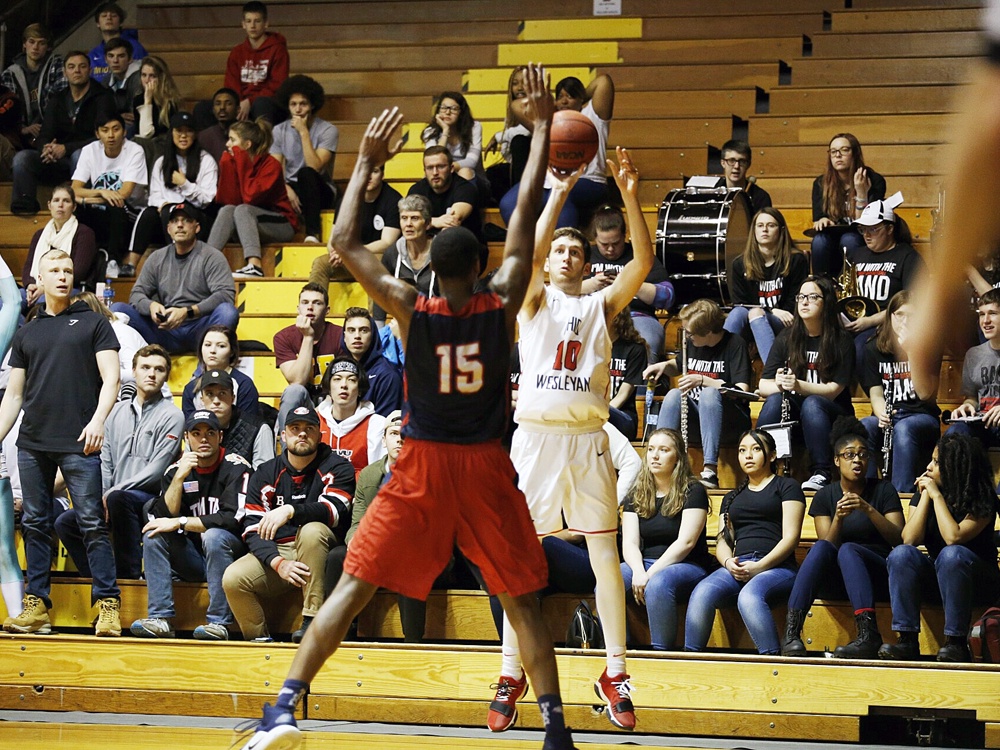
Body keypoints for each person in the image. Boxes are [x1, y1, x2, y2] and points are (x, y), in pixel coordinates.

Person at [241, 68, 580, 750]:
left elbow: (340, 247)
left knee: (357, 584)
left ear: (431, 271)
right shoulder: (504, 297)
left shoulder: (411, 308)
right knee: (520, 601)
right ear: (482, 265)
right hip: (485, 465)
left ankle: (285, 704)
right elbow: (521, 222)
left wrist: (365, 165)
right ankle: (555, 728)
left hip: (423, 467)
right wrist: (541, 128)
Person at [497, 143, 652, 734]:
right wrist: (560, 190)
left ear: (587, 263)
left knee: (604, 559)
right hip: (535, 440)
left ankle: (615, 672)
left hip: (588, 437)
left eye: (574, 250)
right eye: (558, 249)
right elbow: (527, 254)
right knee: (517, 560)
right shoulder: (533, 300)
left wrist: (632, 198)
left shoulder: (601, 305)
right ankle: (512, 671)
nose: (563, 256)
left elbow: (641, 261)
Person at [0, 250, 122, 636]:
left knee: (91, 524)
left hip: (80, 442)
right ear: (39, 276)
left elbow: (112, 379)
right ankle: (37, 606)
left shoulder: (95, 324)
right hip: (33, 443)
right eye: (54, 269)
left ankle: (108, 606)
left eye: (68, 269)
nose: (63, 275)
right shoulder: (27, 331)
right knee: (35, 524)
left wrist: (99, 420)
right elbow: (14, 396)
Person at [223, 404, 356, 643]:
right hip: (280, 552)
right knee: (233, 578)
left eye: (309, 428)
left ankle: (312, 618)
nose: (302, 433)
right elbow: (252, 529)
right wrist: (278, 562)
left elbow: (333, 512)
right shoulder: (265, 472)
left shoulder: (338, 465)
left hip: (321, 549)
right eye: (295, 428)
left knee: (311, 530)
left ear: (320, 434)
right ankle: (258, 641)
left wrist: (290, 510)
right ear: (283, 436)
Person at [54, 344, 184, 580]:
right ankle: (102, 581)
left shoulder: (173, 415)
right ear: (134, 371)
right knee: (66, 522)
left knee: (119, 499)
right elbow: (105, 463)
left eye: (159, 369)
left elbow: (157, 470)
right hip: (113, 496)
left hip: (152, 498)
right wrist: (99, 497)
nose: (151, 374)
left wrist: (112, 491)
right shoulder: (115, 412)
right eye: (145, 367)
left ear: (166, 376)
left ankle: (129, 579)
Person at [781, 417, 904, 659]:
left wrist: (868, 509)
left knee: (849, 549)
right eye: (849, 455)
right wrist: (838, 517)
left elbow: (899, 539)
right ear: (837, 461)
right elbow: (827, 547)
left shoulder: (883, 490)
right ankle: (791, 634)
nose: (857, 460)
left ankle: (868, 634)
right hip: (838, 576)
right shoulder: (826, 496)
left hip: (877, 574)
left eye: (862, 454)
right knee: (821, 548)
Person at [131, 409, 252, 640]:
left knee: (214, 536)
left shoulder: (236, 466)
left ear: (221, 437)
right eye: (196, 433)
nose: (203, 439)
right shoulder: (175, 471)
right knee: (154, 534)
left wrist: (182, 522)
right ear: (187, 438)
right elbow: (162, 517)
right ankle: (160, 618)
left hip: (234, 557)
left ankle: (219, 623)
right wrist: (179, 478)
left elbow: (232, 519)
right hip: (196, 560)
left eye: (210, 433)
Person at [879, 434, 1000, 663]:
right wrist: (925, 496)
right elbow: (909, 539)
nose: (928, 467)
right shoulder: (928, 491)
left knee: (951, 554)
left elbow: (953, 537)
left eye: (936, 462)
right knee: (901, 554)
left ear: (955, 466)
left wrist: (935, 495)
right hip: (940, 577)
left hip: (978, 582)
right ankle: (907, 640)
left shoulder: (982, 495)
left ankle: (956, 642)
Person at [683, 429, 805, 655]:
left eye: (756, 449)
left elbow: (791, 538)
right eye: (742, 450)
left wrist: (759, 566)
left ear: (772, 455)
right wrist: (728, 563)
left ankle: (772, 662)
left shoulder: (787, 487)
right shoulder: (731, 497)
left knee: (749, 596)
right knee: (702, 592)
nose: (748, 455)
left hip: (778, 568)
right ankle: (690, 660)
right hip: (738, 565)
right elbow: (722, 540)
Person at [756, 276, 856, 491]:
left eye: (812, 297)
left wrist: (798, 385)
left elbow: (832, 391)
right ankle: (761, 467)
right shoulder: (787, 337)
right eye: (801, 296)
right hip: (796, 415)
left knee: (813, 403)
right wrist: (781, 384)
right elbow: (763, 385)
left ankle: (821, 472)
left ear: (826, 302)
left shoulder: (841, 340)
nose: (804, 302)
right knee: (774, 401)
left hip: (832, 415)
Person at [620, 428, 713, 651]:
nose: (655, 456)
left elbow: (686, 543)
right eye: (651, 449)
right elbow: (630, 543)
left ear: (678, 457)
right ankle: (619, 651)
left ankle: (662, 653)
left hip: (686, 564)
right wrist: (639, 571)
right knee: (610, 581)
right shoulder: (636, 492)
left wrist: (649, 575)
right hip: (645, 563)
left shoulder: (693, 490)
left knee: (658, 585)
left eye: (663, 450)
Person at [646, 299, 753, 490]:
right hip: (698, 420)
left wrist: (703, 380)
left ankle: (710, 470)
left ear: (709, 333)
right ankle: (658, 467)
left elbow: (742, 391)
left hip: (728, 420)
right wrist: (661, 366)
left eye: (691, 333)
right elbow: (677, 366)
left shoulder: (735, 344)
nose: (687, 336)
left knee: (709, 395)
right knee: (673, 395)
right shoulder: (693, 343)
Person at [113, 203, 239, 353]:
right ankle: (135, 368)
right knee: (118, 310)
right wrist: (151, 306)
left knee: (228, 312)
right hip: (165, 330)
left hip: (201, 330)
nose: (180, 225)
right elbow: (136, 294)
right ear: (168, 229)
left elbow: (225, 295)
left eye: (186, 220)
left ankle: (204, 370)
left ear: (196, 227)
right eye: (174, 221)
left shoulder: (212, 256)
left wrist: (188, 311)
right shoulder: (157, 258)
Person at [499, 73, 614, 230]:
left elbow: (603, 81)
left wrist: (580, 95)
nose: (565, 101)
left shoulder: (594, 115)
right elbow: (516, 105)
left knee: (560, 194)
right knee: (509, 203)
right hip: (549, 183)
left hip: (590, 181)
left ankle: (563, 243)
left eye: (570, 96)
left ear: (581, 99)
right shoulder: (549, 121)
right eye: (560, 97)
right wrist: (551, 104)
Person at [10, 52, 111, 215]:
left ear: (90, 70)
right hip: (58, 160)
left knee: (80, 155)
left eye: (82, 66)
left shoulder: (103, 97)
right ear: (65, 73)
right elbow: (44, 134)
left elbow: (104, 136)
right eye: (71, 67)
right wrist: (46, 149)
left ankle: (83, 210)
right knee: (22, 158)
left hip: (87, 158)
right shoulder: (58, 99)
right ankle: (25, 205)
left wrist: (66, 148)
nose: (77, 71)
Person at [860, 291, 940, 494]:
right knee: (865, 426)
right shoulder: (872, 348)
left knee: (904, 428)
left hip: (921, 416)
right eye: (900, 314)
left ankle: (899, 496)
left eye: (912, 316)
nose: (906, 321)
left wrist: (912, 351)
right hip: (890, 414)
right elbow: (876, 393)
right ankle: (867, 493)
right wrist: (880, 413)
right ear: (890, 316)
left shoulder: (930, 346)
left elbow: (924, 394)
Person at [125, 111, 218, 274]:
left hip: (196, 216)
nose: (183, 136)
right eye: (178, 131)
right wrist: (163, 204)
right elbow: (153, 195)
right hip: (165, 217)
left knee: (173, 211)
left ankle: (179, 265)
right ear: (172, 134)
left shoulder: (206, 161)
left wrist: (185, 184)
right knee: (147, 213)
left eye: (188, 131)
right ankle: (130, 265)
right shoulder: (162, 162)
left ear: (195, 134)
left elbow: (207, 199)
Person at [580, 204, 673, 363]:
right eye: (604, 244)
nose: (610, 249)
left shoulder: (639, 256)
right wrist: (593, 284)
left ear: (625, 235)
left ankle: (643, 388)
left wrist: (630, 283)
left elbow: (667, 297)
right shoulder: (585, 255)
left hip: (637, 316)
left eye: (616, 243)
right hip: (595, 315)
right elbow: (563, 291)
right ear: (595, 238)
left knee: (647, 344)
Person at [209, 117, 298, 278]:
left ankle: (255, 265)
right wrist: (228, 166)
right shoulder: (235, 161)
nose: (227, 144)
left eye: (232, 140)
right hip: (250, 223)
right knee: (229, 209)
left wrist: (242, 162)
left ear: (247, 144)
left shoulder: (271, 165)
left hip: (281, 224)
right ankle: (204, 263)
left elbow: (250, 197)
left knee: (243, 210)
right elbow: (228, 200)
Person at [845, 194, 924, 368]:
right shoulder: (857, 254)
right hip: (856, 321)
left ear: (889, 229)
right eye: (863, 229)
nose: (866, 235)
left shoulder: (908, 257)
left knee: (861, 348)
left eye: (873, 229)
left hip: (889, 322)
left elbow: (911, 301)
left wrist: (871, 320)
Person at [724, 208, 809, 364]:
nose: (764, 229)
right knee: (738, 313)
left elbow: (796, 300)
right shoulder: (739, 264)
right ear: (754, 230)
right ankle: (721, 364)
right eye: (760, 225)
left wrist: (769, 312)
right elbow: (740, 303)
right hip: (753, 320)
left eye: (771, 225)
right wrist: (770, 309)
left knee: (755, 313)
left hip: (785, 322)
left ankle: (771, 373)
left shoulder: (796, 260)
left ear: (781, 230)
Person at [71, 108, 147, 272]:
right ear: (98, 134)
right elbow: (75, 189)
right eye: (105, 131)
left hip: (130, 210)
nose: (110, 135)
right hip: (102, 207)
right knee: (76, 209)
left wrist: (88, 198)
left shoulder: (134, 151)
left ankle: (113, 261)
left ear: (124, 132)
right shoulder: (90, 150)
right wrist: (100, 192)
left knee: (116, 205)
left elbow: (124, 193)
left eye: (116, 129)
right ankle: (76, 261)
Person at [809, 133, 887, 279]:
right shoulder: (820, 184)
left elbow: (865, 221)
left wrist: (861, 193)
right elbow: (818, 218)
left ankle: (853, 287)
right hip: (831, 237)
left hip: (862, 234)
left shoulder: (874, 180)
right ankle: (821, 286)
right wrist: (822, 220)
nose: (838, 155)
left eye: (844, 150)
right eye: (833, 152)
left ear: (855, 153)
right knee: (819, 241)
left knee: (849, 240)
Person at [272, 75, 338, 243]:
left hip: (320, 187)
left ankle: (312, 234)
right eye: (293, 104)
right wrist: (286, 189)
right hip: (291, 187)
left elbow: (315, 166)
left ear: (312, 105)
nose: (298, 109)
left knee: (306, 173)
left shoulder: (328, 130)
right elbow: (275, 168)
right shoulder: (279, 131)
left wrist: (303, 132)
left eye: (303, 104)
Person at [311, 163, 400, 287]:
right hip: (350, 259)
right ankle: (315, 303)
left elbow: (387, 242)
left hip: (377, 258)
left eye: (374, 171)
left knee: (377, 267)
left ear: (382, 174)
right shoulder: (348, 200)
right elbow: (333, 240)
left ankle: (374, 307)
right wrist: (339, 254)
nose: (368, 176)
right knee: (321, 263)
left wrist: (352, 252)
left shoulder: (393, 200)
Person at [274, 282, 345, 425]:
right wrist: (308, 337)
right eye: (305, 303)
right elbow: (297, 381)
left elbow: (346, 380)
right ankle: (287, 446)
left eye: (317, 303)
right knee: (293, 391)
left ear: (327, 310)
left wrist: (324, 407)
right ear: (298, 308)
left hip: (335, 403)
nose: (310, 307)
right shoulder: (283, 337)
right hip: (302, 404)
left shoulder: (340, 335)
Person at [22, 184, 98, 304]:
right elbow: (28, 267)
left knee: (43, 301)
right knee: (12, 300)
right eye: (56, 200)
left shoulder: (84, 233)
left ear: (74, 207)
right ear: (49, 205)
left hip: (69, 288)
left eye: (66, 201)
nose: (60, 205)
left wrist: (45, 288)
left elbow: (77, 272)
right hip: (38, 286)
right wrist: (30, 285)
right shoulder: (39, 235)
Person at [316, 357, 387, 477]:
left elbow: (377, 476)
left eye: (351, 380)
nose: (343, 385)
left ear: (359, 390)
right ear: (329, 388)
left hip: (359, 494)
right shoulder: (314, 421)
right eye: (337, 379)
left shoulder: (376, 424)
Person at [947, 288, 1000, 446]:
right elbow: (972, 397)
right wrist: (967, 406)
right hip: (982, 424)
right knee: (954, 434)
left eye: (992, 313)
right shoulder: (973, 355)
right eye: (981, 314)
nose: (985, 321)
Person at [0, 23, 65, 150]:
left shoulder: (57, 66)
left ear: (48, 47)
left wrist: (46, 128)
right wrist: (22, 129)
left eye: (41, 43)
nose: (35, 47)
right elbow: (8, 112)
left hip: (53, 135)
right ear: (24, 44)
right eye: (31, 42)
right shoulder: (10, 74)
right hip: (20, 137)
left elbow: (61, 101)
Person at [224, 1, 289, 125]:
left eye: (257, 21)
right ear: (243, 24)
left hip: (269, 103)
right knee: (204, 108)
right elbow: (230, 84)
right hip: (242, 102)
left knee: (261, 103)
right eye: (248, 21)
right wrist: (239, 103)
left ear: (266, 24)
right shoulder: (237, 52)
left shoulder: (277, 49)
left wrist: (250, 101)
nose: (252, 26)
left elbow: (278, 85)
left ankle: (265, 144)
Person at [373, 195, 436, 323]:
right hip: (402, 323)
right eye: (404, 218)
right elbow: (380, 292)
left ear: (428, 223)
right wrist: (378, 334)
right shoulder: (393, 253)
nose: (408, 224)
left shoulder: (442, 252)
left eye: (415, 218)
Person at [407, 145, 485, 248]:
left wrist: (425, 222)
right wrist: (435, 221)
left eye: (440, 167)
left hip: (467, 250)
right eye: (430, 168)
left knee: (449, 236)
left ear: (451, 168)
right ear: (424, 171)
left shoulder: (465, 188)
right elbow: (409, 222)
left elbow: (453, 220)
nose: (435, 173)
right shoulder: (416, 190)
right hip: (428, 249)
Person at [198, 368, 274, 469]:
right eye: (209, 394)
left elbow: (264, 477)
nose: (216, 401)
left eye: (222, 393)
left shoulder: (258, 429)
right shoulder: (194, 427)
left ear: (233, 398)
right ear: (202, 399)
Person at [181, 325, 259, 418]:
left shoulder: (244, 385)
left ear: (232, 351)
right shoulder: (191, 388)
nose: (212, 351)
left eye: (221, 346)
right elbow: (190, 428)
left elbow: (249, 426)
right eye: (207, 345)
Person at [421, 91, 487, 199]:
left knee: (464, 171)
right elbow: (433, 159)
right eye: (443, 108)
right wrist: (445, 131)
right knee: (430, 176)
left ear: (461, 112)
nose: (447, 112)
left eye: (454, 109)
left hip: (475, 181)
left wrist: (446, 169)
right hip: (446, 180)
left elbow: (472, 162)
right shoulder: (430, 131)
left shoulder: (474, 127)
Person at [339, 307, 402, 417]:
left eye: (364, 330)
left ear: (373, 335)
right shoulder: (338, 370)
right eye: (351, 330)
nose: (357, 336)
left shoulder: (388, 375)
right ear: (344, 337)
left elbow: (383, 423)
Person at [484, 66, 530, 205]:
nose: (520, 87)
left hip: (539, 168)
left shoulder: (539, 106)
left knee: (519, 141)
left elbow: (525, 132)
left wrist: (498, 137)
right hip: (519, 169)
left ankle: (520, 198)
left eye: (524, 82)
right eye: (515, 83)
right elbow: (508, 154)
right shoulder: (512, 114)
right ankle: (507, 202)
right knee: (492, 174)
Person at [607, 309, 647, 441]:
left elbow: (623, 395)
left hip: (622, 416)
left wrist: (599, 416)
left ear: (616, 319)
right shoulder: (590, 346)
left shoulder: (635, 349)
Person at [87, 2, 147, 84]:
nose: (109, 18)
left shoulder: (134, 47)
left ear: (120, 22)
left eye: (114, 15)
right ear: (98, 23)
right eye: (104, 15)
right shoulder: (93, 54)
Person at [131, 56, 181, 143]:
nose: (147, 80)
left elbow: (148, 134)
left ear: (161, 78)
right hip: (146, 146)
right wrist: (147, 102)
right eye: (144, 75)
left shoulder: (171, 101)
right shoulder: (138, 100)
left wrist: (148, 101)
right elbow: (143, 134)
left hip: (164, 145)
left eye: (152, 76)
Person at [719, 139, 771, 214]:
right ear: (723, 163)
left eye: (742, 161)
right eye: (731, 161)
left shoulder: (761, 197)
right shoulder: (712, 193)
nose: (736, 166)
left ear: (748, 164)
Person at [103, 37, 141, 129]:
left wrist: (114, 117)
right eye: (111, 56)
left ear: (130, 59)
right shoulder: (106, 81)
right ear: (105, 59)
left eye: (121, 56)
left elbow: (134, 116)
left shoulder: (139, 78)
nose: (115, 61)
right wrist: (117, 117)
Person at [198, 87, 239, 163]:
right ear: (213, 110)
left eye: (228, 103)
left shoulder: (247, 133)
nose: (222, 107)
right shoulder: (204, 137)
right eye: (218, 104)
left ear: (238, 109)